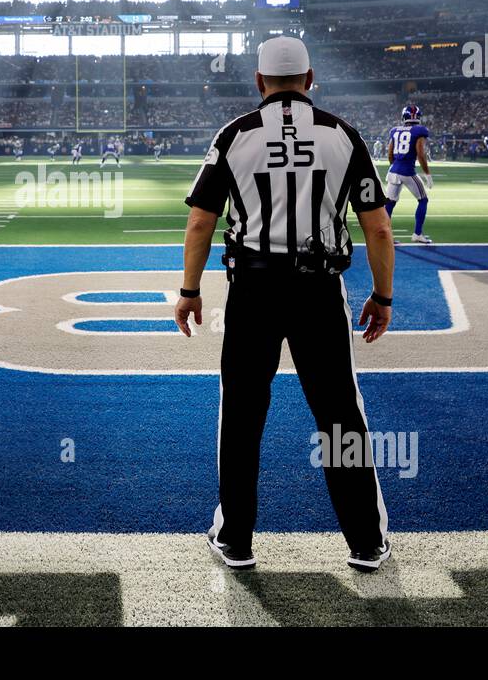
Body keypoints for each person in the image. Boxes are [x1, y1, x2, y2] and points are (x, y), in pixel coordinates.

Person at [175, 36, 396, 574]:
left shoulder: (235, 135)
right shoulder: (343, 136)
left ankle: (237, 540)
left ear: (259, 82)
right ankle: (366, 542)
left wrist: (189, 290)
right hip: (318, 290)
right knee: (340, 414)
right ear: (311, 79)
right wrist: (383, 295)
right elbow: (379, 229)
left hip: (253, 290)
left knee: (243, 414)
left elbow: (202, 220)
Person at [385, 105, 434, 244]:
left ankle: (387, 236)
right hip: (408, 171)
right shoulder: (420, 130)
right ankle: (417, 234)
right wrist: (427, 174)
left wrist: (395, 166)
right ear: (418, 117)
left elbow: (389, 153)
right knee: (423, 200)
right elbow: (420, 153)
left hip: (394, 170)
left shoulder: (394, 130)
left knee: (389, 204)